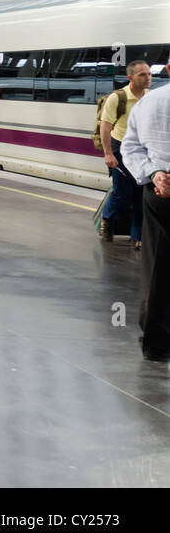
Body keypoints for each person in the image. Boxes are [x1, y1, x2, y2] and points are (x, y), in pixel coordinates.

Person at [117, 82, 170, 361]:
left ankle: (155, 343)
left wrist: (155, 174)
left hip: (161, 193)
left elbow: (130, 147)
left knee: (157, 266)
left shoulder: (150, 102)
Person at [100, 60, 153, 249]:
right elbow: (105, 127)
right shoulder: (117, 98)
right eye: (142, 75)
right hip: (120, 148)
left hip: (142, 150)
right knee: (122, 193)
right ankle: (107, 219)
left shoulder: (150, 97)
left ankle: (137, 237)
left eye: (149, 74)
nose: (148, 78)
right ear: (130, 77)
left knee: (141, 195)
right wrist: (108, 154)